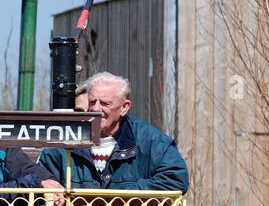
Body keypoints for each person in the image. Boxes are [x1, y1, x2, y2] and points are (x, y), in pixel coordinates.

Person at [38, 72, 189, 192]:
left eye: (105, 103)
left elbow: (176, 179)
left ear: (124, 107)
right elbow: (39, 193)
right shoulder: (63, 140)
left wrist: (122, 196)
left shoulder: (151, 142)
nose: (96, 109)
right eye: (92, 101)